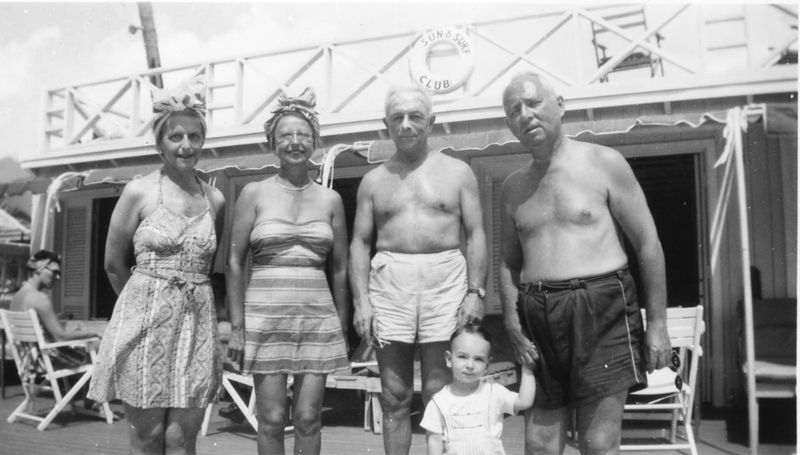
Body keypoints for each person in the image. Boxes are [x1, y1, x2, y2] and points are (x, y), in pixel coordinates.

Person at [498, 71, 672, 455]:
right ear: (509, 123)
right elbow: (509, 263)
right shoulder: (512, 187)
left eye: (533, 103)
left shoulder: (604, 162)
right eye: (514, 110)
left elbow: (647, 243)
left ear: (560, 106)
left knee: (598, 443)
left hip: (602, 307)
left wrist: (657, 322)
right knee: (540, 445)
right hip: (538, 315)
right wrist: (512, 322)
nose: (525, 115)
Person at [88, 77, 226, 455]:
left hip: (196, 327)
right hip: (143, 325)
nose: (186, 146)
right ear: (159, 143)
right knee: (148, 439)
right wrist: (142, 304)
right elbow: (114, 264)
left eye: (195, 137)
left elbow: (207, 264)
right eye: (176, 136)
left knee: (182, 440)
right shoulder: (139, 191)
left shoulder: (215, 197)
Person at [350, 84, 488, 455]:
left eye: (416, 117)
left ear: (432, 122)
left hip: (445, 279)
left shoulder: (458, 172)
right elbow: (360, 243)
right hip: (390, 280)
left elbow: (475, 235)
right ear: (386, 124)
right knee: (394, 394)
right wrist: (361, 302)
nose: (407, 125)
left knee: (439, 390)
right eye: (397, 118)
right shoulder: (373, 181)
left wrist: (475, 292)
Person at [225, 87, 350, 455]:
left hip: (317, 319)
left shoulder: (331, 199)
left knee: (310, 417)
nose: (295, 142)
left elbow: (340, 268)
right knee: (273, 418)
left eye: (303, 135)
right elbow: (234, 262)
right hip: (265, 318)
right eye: (285, 136)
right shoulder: (253, 194)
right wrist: (237, 327)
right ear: (272, 143)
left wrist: (341, 325)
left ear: (315, 141)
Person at [420, 323, 535, 455]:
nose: (470, 365)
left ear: (487, 365)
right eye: (462, 356)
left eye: (478, 359)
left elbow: (524, 401)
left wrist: (528, 366)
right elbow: (434, 442)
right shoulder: (439, 403)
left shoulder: (493, 392)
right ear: (449, 359)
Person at [10, 250, 100, 371]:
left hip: (28, 362)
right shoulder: (39, 298)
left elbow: (36, 325)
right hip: (46, 360)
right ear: (39, 269)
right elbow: (61, 337)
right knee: (100, 345)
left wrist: (56, 317)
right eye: (55, 272)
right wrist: (94, 332)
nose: (58, 277)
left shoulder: (18, 296)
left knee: (85, 344)